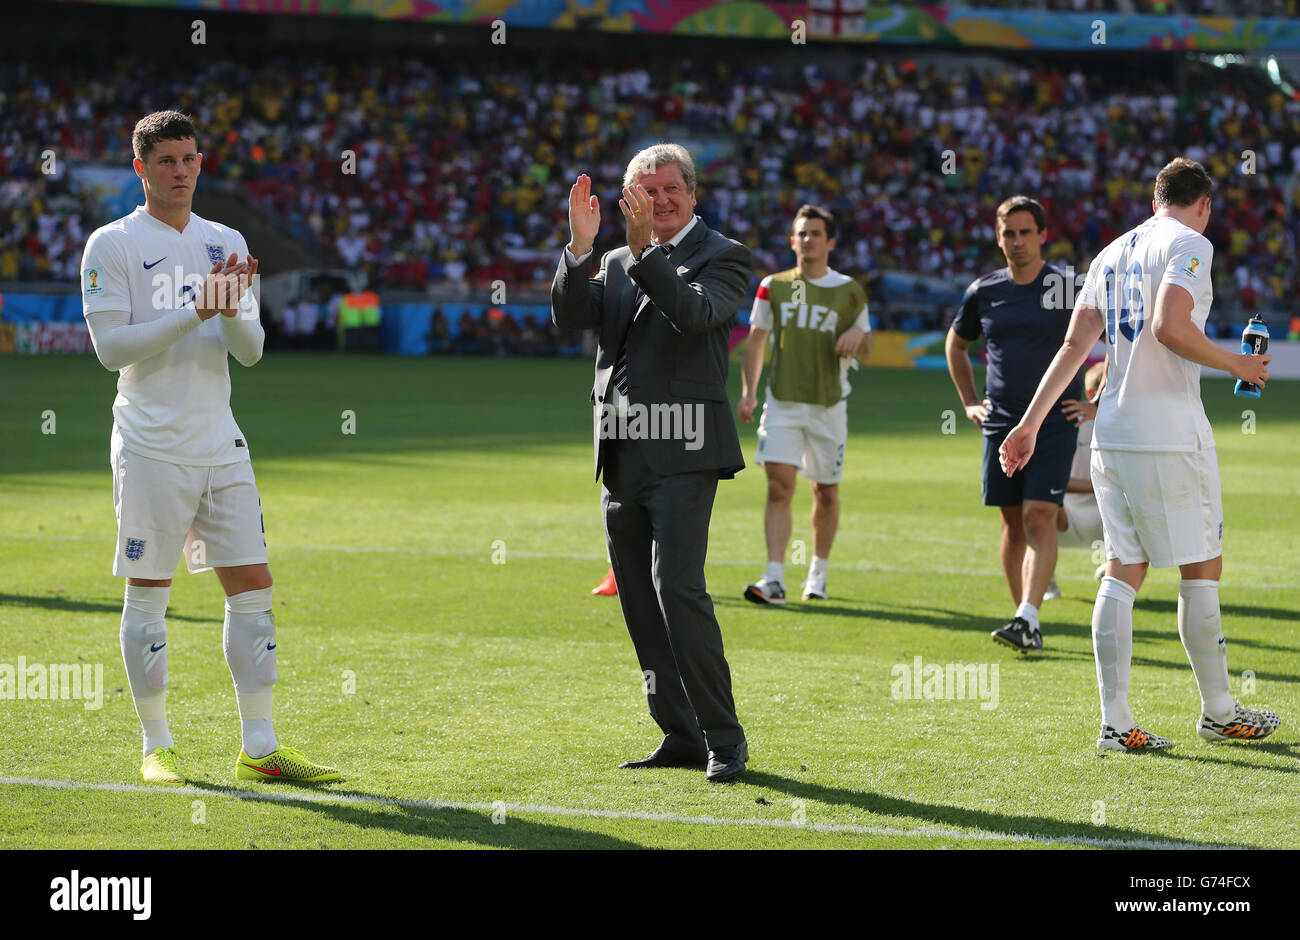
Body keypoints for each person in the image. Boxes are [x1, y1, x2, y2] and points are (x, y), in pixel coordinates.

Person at [80, 111, 341, 785]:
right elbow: (112, 351)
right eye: (166, 160)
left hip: (220, 440)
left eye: (190, 158)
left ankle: (260, 746)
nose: (181, 171)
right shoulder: (111, 245)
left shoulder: (225, 239)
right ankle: (157, 746)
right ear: (140, 168)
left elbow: (251, 353)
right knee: (150, 591)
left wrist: (229, 305)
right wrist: (199, 307)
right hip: (150, 444)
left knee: (253, 587)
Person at [1000, 157, 1280, 750]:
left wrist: (1028, 424)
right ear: (1203, 204)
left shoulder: (1110, 252)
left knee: (1122, 571)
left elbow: (1077, 343)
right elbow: (1168, 326)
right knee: (1201, 566)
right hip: (1169, 434)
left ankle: (1116, 722)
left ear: (1157, 199)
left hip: (1113, 435)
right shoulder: (1191, 245)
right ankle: (1218, 711)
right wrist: (1240, 364)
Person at [551, 143, 752, 782]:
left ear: (693, 195)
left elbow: (693, 314)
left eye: (670, 190)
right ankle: (680, 734)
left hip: (687, 449)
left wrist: (644, 253)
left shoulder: (724, 256)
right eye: (646, 191)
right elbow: (569, 318)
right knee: (638, 598)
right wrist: (580, 250)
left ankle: (725, 738)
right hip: (620, 449)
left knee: (678, 588)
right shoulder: (611, 259)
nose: (660, 201)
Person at [945, 195, 1081, 653]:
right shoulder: (984, 290)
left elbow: (1116, 336)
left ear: (1043, 235)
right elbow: (956, 345)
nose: (1017, 241)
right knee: (1012, 523)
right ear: (998, 237)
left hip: (1056, 421)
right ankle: (1026, 618)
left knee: (1039, 515)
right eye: (1009, 233)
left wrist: (1098, 400)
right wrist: (968, 402)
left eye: (1026, 232)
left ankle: (1027, 615)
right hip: (1000, 422)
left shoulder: (1070, 287)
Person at [737, 205, 871, 603]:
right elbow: (757, 340)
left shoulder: (850, 290)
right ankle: (774, 577)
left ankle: (818, 574)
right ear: (792, 241)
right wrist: (749, 392)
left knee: (825, 492)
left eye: (816, 233)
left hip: (829, 405)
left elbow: (868, 341)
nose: (808, 239)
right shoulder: (772, 286)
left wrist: (854, 338)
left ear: (830, 242)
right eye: (802, 233)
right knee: (779, 487)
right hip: (783, 402)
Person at [1043, 358, 1108, 601]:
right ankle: (1047, 580)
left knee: (1148, 508)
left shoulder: (1129, 426)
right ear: (1091, 394)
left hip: (1109, 512)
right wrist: (1098, 486)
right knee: (1033, 503)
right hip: (1068, 514)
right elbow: (1054, 479)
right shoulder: (1069, 426)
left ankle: (1116, 574)